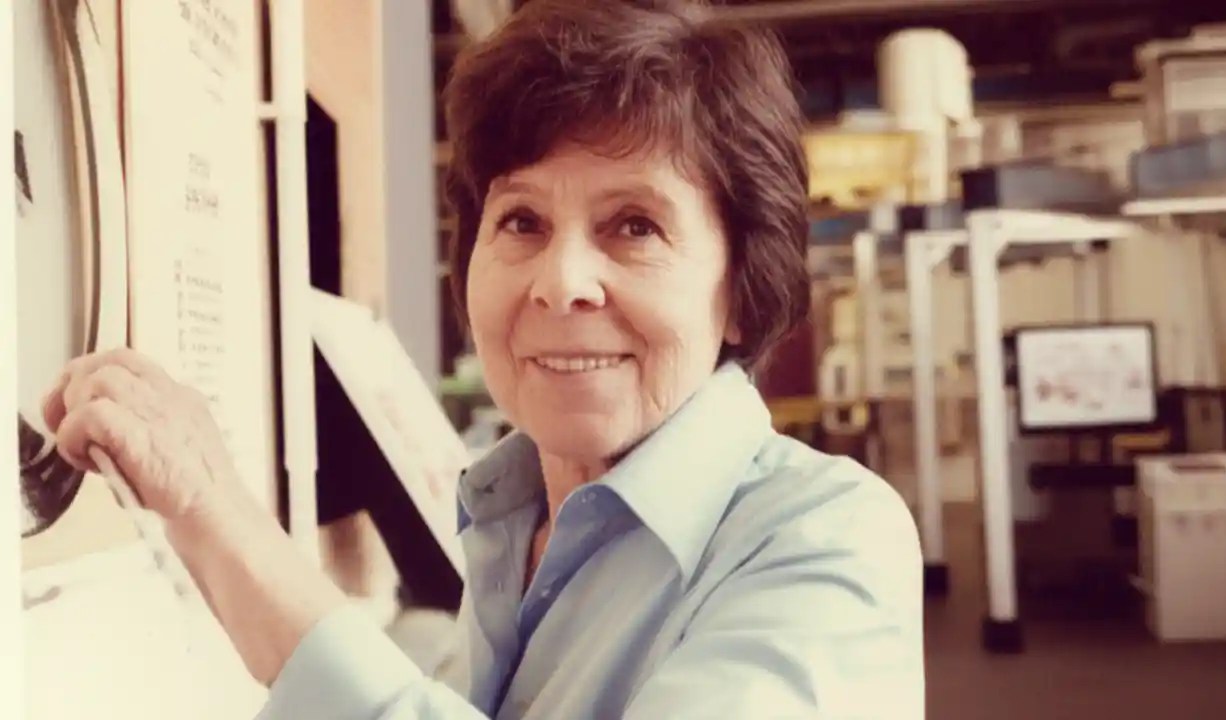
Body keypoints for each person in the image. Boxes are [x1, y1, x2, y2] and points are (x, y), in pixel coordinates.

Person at [43, 0, 924, 717]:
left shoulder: (823, 536)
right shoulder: (512, 523)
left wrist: (219, 516)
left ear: (740, 285)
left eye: (634, 225)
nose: (561, 282)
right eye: (522, 222)